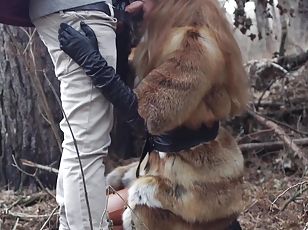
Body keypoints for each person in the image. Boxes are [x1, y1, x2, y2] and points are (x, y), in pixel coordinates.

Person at [58, 0, 248, 229]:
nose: (136, 3)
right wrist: (122, 35)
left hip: (197, 180)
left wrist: (94, 64)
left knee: (97, 215)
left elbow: (146, 116)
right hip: (177, 165)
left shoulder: (196, 45)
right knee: (88, 209)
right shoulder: (172, 37)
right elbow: (138, 88)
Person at [28, 1, 143, 229]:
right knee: (86, 145)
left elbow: (152, 122)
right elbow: (151, 121)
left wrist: (95, 65)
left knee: (81, 143)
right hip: (81, 9)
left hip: (71, 9)